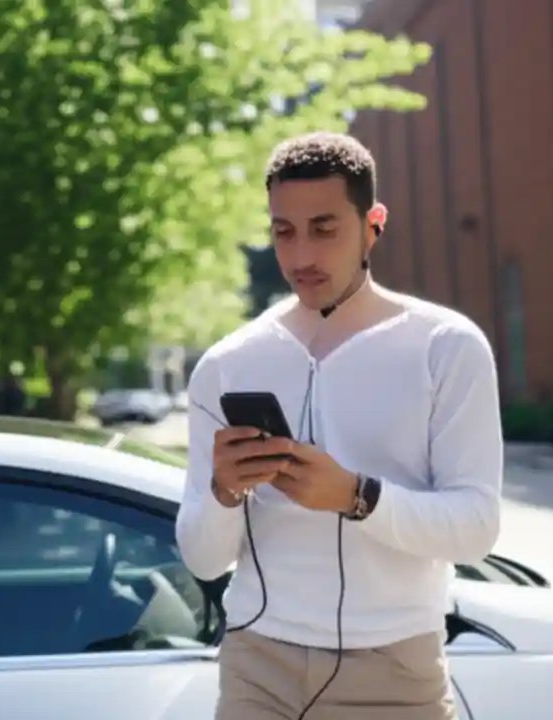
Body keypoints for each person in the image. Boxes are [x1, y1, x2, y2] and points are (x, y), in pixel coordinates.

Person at [176, 132, 503, 720]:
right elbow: (202, 560)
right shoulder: (226, 366)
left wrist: (357, 496)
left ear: (373, 223)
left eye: (324, 229)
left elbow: (476, 528)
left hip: (395, 670)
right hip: (258, 666)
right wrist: (224, 492)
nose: (302, 256)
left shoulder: (447, 348)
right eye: (284, 231)